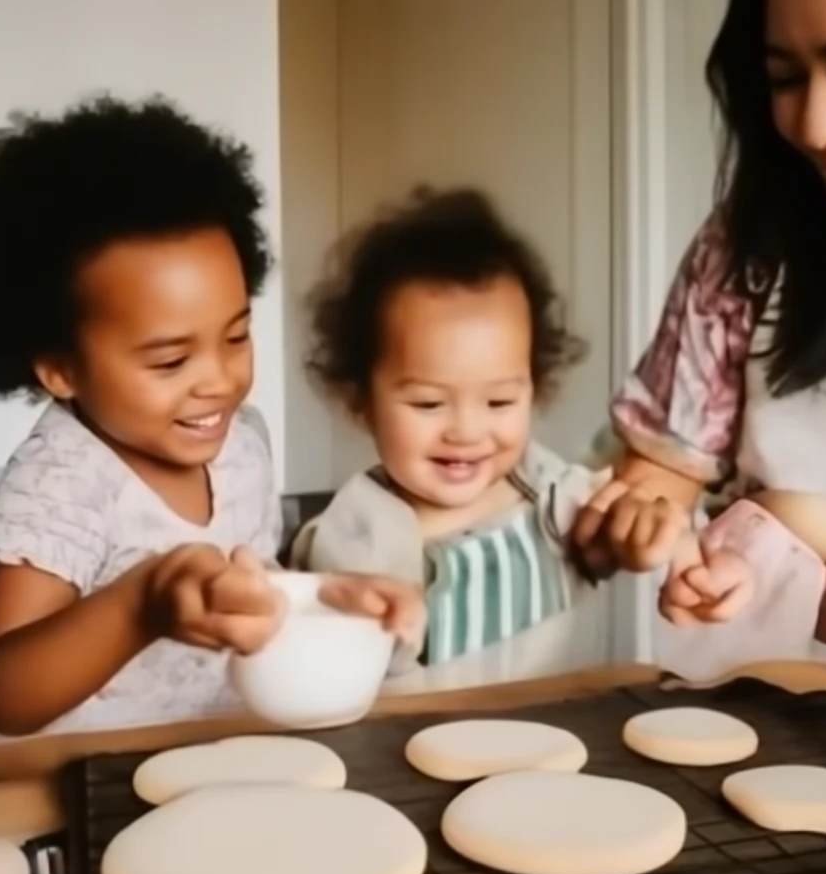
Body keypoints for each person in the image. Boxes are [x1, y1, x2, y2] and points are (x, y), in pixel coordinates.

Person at [0, 96, 421, 740]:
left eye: (237, 337)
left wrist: (328, 601)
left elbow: (251, 589)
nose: (218, 381)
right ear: (60, 369)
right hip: (85, 797)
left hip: (211, 770)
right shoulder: (62, 481)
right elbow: (3, 691)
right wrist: (143, 603)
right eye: (170, 362)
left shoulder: (242, 443)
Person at [572, 0, 826, 730]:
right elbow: (666, 468)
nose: (817, 126)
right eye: (784, 78)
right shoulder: (751, 242)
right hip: (751, 710)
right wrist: (653, 524)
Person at [290, 187, 753, 669]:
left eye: (499, 401)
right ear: (360, 400)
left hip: (553, 736)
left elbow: (632, 522)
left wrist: (682, 551)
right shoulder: (352, 533)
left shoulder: (552, 494)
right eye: (429, 403)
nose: (467, 431)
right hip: (405, 741)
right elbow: (323, 653)